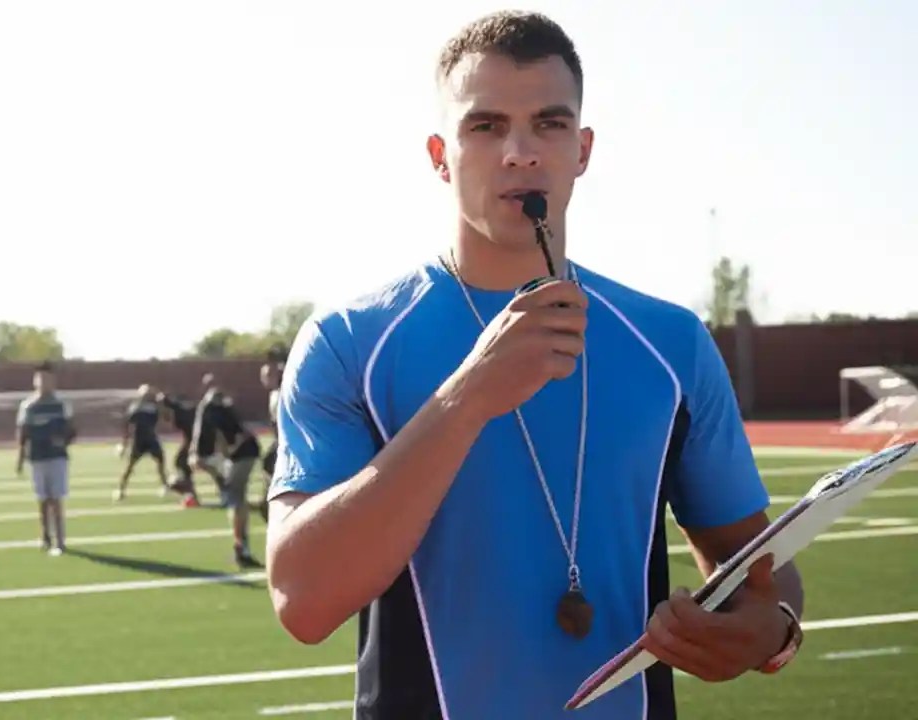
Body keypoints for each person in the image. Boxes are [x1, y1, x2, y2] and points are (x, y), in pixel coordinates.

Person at [264, 11, 805, 720]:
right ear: (440, 155)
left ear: (582, 150)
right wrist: (467, 396)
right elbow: (302, 600)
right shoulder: (347, 343)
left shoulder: (670, 342)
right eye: (486, 126)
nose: (520, 153)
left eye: (549, 124)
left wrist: (772, 632)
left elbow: (760, 572)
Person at [191, 384, 262, 569]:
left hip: (244, 454)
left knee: (236, 498)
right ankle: (240, 543)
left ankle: (241, 546)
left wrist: (227, 454)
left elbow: (227, 438)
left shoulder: (214, 413)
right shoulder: (225, 411)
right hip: (244, 452)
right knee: (235, 498)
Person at [15, 361, 76, 556]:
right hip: (37, 457)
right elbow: (23, 433)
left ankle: (60, 541)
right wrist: (20, 458)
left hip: (57, 457)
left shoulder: (61, 404)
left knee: (56, 499)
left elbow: (72, 430)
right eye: (40, 378)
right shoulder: (28, 406)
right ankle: (45, 537)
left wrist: (64, 441)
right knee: (42, 499)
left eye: (47, 378)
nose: (43, 382)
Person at [114, 384, 171, 501]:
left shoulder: (152, 407)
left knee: (160, 463)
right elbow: (127, 424)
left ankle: (165, 486)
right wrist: (124, 443)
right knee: (130, 466)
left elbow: (166, 417)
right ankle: (121, 489)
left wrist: (161, 404)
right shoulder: (137, 407)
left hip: (150, 439)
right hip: (140, 440)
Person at [157, 390, 201, 507]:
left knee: (181, 463)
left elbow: (191, 430)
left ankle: (190, 494)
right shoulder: (181, 410)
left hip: (197, 441)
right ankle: (192, 496)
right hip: (194, 440)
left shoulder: (179, 414)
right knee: (183, 466)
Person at [257, 359, 284, 523]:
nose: (265, 379)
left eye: (269, 375)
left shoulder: (283, 392)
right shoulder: (273, 394)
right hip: (278, 440)